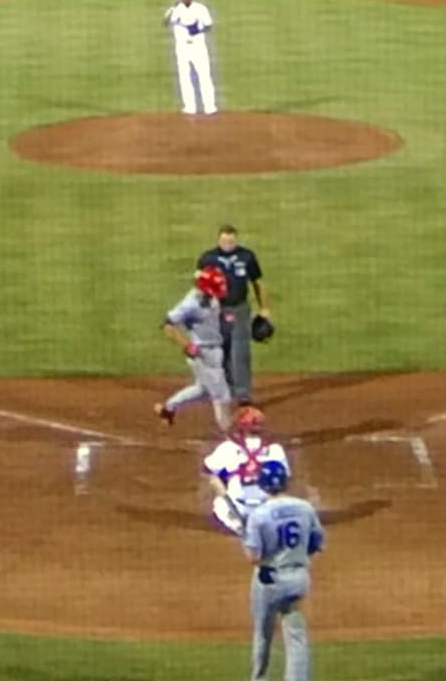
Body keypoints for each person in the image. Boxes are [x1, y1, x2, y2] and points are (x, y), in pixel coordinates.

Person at [241, 460, 324, 681]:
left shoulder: (258, 515)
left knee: (263, 634)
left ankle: (259, 678)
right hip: (298, 578)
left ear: (262, 484)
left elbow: (253, 557)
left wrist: (246, 540)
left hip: (270, 580)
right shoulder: (305, 508)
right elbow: (316, 542)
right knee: (296, 633)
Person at [155, 266, 236, 431]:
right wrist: (186, 344)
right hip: (203, 352)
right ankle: (228, 434)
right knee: (221, 395)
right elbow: (167, 324)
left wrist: (224, 316)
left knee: (203, 389)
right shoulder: (190, 304)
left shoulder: (208, 294)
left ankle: (168, 409)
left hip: (214, 348)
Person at [197, 224, 269, 405]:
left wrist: (264, 308)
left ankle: (243, 394)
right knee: (221, 351)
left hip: (240, 309)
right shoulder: (208, 258)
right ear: (218, 239)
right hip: (216, 311)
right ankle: (225, 389)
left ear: (236, 239)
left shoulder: (247, 256)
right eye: (224, 240)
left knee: (240, 352)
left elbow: (258, 283)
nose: (227, 243)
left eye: (231, 240)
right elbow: (199, 285)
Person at [202, 405, 290, 536]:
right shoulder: (275, 449)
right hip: (266, 506)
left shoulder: (228, 448)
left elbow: (207, 470)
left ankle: (237, 524)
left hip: (238, 508)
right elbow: (285, 480)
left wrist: (223, 481)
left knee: (219, 502)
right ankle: (270, 521)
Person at [162, 0, 217, 115]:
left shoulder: (201, 9)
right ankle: (189, 106)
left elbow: (209, 26)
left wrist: (198, 30)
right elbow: (165, 22)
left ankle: (210, 106)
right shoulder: (176, 9)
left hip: (198, 46)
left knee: (204, 75)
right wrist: (170, 10)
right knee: (184, 76)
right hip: (182, 48)